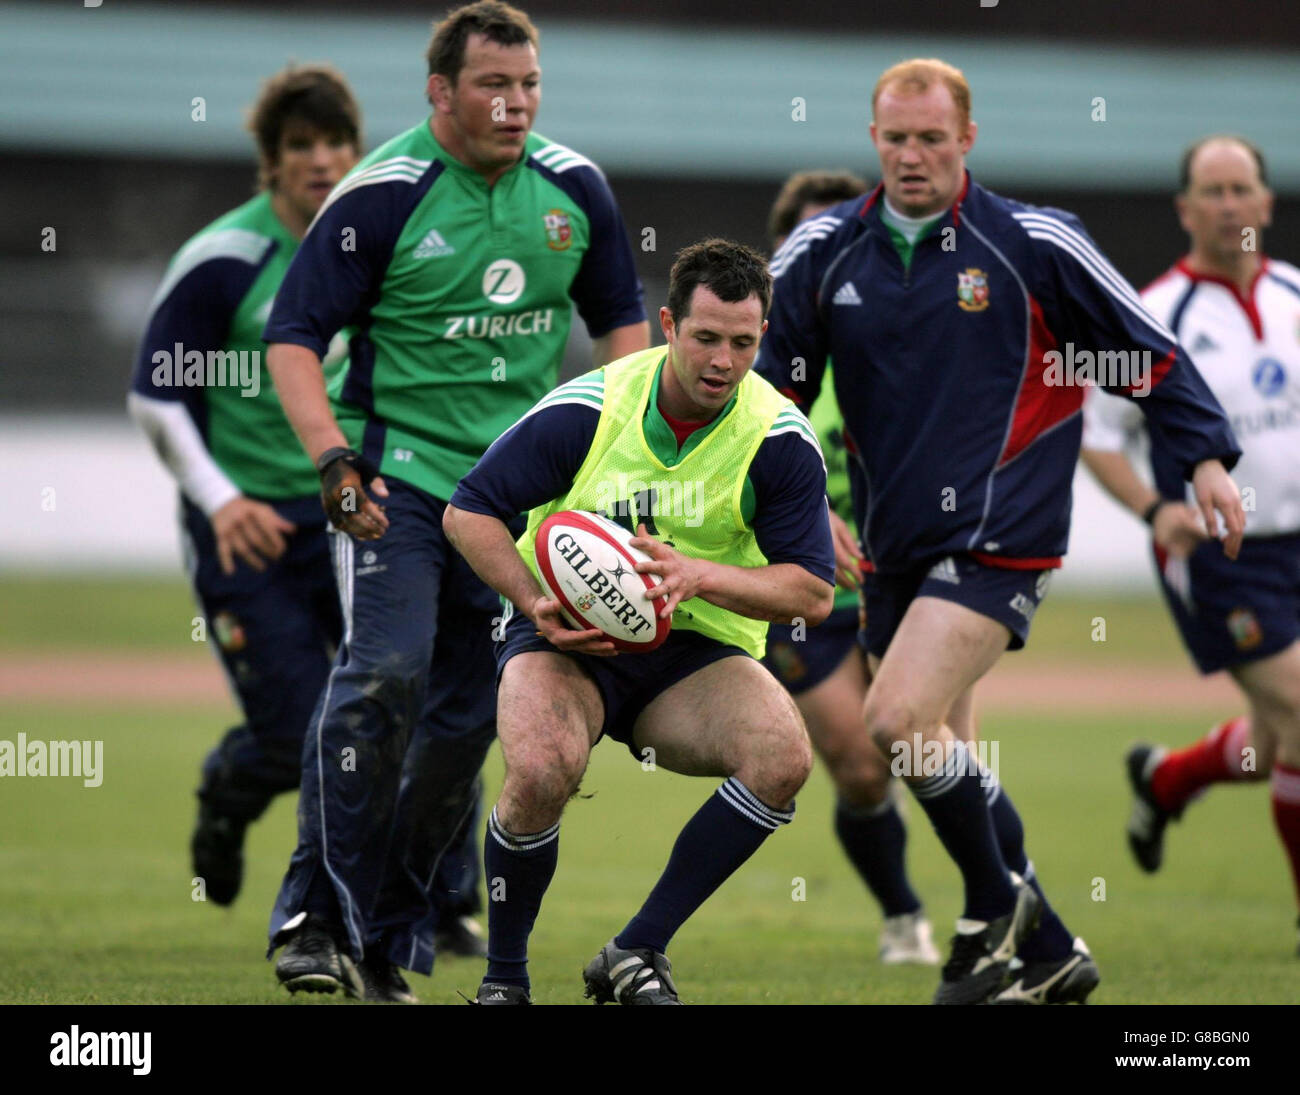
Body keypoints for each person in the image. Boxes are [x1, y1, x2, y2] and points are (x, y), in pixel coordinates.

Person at [756, 58, 1246, 1004]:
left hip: (1001, 540)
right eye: (895, 139)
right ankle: (1051, 944)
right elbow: (767, 395)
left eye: (932, 139)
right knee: (954, 765)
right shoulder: (822, 252)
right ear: (873, 141)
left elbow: (1149, 352)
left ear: (967, 140)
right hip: (893, 551)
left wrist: (1207, 456)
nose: (912, 156)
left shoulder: (1035, 242)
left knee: (893, 720)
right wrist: (800, 500)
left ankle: (987, 922)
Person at [263, 1, 649, 1002]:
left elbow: (623, 330)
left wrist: (618, 470)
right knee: (383, 673)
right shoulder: (381, 196)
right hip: (397, 489)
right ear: (440, 91)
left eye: (527, 86)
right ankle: (311, 917)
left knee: (470, 722)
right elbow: (294, 336)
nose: (514, 104)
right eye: (492, 85)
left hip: (514, 505)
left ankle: (387, 938)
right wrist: (332, 460)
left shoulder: (574, 190)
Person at [443, 239, 834, 1004]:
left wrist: (697, 576)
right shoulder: (590, 408)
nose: (724, 360)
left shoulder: (778, 438)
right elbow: (469, 512)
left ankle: (636, 948)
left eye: (745, 343)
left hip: (692, 649)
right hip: (565, 634)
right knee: (541, 767)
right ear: (668, 325)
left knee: (783, 756)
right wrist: (533, 602)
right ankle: (505, 980)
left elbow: (813, 591)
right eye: (707, 337)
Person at [128, 64, 362, 909]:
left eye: (337, 141)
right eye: (301, 144)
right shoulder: (223, 259)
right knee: (299, 734)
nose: (322, 159)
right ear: (270, 160)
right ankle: (228, 797)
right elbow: (154, 396)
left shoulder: (374, 250)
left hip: (351, 523)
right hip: (247, 531)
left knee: (394, 712)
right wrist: (221, 499)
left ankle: (433, 911)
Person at [1081, 135, 1300, 952]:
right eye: (1211, 191)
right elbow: (1099, 434)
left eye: (1242, 188)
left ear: (1268, 201)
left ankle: (1167, 778)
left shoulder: (1293, 294)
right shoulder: (1155, 312)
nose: (1229, 205)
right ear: (1184, 208)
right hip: (1222, 557)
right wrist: (1150, 509)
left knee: (1279, 736)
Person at [761, 169, 938, 965]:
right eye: (805, 239)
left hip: (904, 586)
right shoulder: (755, 366)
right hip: (806, 601)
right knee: (862, 764)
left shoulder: (896, 351)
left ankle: (1009, 905)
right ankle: (904, 913)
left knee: (924, 750)